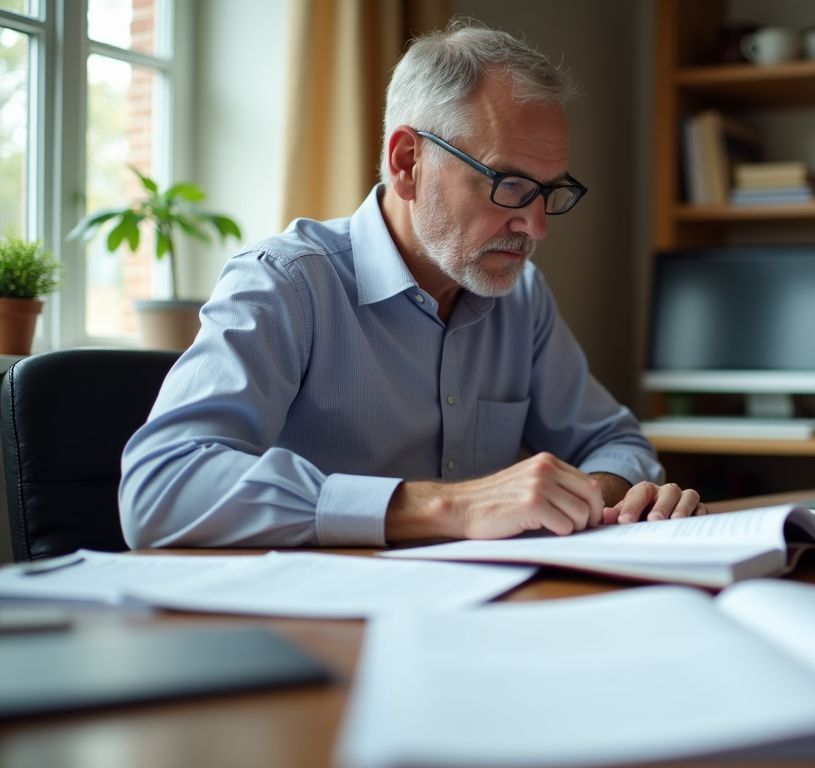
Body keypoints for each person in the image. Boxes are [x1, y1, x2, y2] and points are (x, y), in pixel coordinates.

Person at [119, 19, 705, 549]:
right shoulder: (286, 283)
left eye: (551, 191)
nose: (537, 226)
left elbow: (617, 442)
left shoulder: (520, 297)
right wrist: (448, 506)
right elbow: (160, 486)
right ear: (407, 162)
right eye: (508, 184)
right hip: (317, 631)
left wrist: (599, 491)